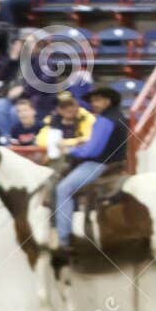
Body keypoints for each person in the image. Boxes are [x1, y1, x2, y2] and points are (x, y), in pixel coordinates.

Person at [52, 85, 128, 255]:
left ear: (107, 101)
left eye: (97, 100)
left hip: (99, 165)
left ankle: (64, 240)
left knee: (62, 189)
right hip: (116, 163)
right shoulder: (120, 117)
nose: (94, 103)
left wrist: (69, 150)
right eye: (93, 100)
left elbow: (93, 151)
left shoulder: (104, 120)